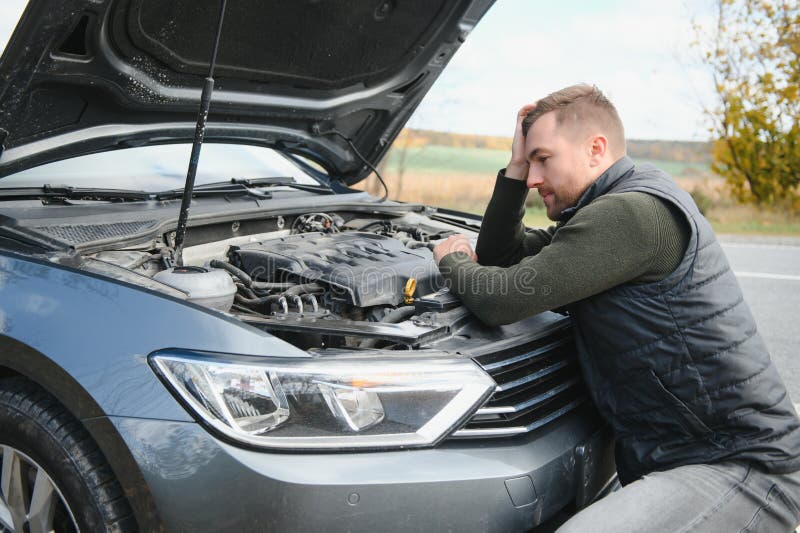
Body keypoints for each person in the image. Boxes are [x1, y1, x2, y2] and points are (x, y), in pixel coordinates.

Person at [432, 84, 800, 532]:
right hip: (682, 456)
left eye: (542, 159)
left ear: (595, 149)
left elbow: (500, 297)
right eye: (529, 164)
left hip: (740, 467)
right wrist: (513, 166)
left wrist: (451, 259)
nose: (532, 179)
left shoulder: (630, 214)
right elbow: (503, 256)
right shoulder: (607, 207)